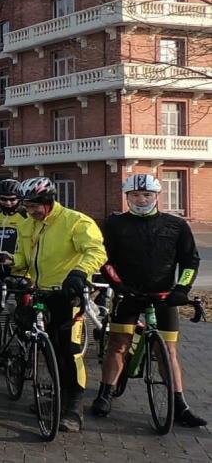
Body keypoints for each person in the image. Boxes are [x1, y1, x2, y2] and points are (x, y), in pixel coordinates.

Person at [92, 174, 204, 427]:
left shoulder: (176, 225)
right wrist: (118, 285)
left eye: (147, 195)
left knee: (169, 351)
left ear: (156, 196)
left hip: (165, 295)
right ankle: (105, 394)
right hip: (129, 294)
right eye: (134, 195)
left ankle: (180, 404)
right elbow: (104, 260)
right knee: (119, 345)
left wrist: (182, 288)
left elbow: (190, 260)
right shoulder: (114, 225)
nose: (141, 200)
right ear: (127, 197)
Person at [0, 177, 106, 433]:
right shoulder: (29, 224)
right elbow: (26, 259)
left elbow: (97, 252)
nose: (31, 210)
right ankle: (55, 396)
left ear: (49, 200)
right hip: (41, 295)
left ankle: (74, 409)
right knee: (49, 351)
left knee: (71, 352)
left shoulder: (75, 221)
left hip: (69, 296)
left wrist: (80, 271)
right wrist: (11, 262)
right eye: (27, 205)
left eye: (36, 205)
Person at [0, 178, 30, 363]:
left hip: (21, 274)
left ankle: (25, 352)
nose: (8, 203)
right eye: (4, 199)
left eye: (12, 199)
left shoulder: (27, 218)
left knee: (24, 316)